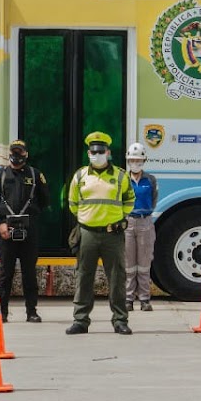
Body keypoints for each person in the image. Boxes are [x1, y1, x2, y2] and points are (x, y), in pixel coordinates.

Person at [66, 132, 135, 336]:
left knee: (117, 278)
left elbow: (129, 201)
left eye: (101, 151)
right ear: (89, 153)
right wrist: (88, 217)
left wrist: (115, 219)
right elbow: (73, 203)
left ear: (108, 152)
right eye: (93, 152)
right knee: (83, 277)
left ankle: (120, 320)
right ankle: (80, 321)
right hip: (87, 233)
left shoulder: (121, 176)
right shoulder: (80, 176)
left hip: (113, 234)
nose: (97, 155)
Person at [0, 139, 50, 323]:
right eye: (13, 151)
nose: (16, 155)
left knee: (29, 273)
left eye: (19, 152)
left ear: (26, 154)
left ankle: (32, 311)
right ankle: (2, 312)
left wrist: (31, 216)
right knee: (5, 274)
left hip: (29, 231)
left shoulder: (35, 175)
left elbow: (45, 200)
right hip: (6, 231)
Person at [124, 142, 158, 312]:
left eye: (138, 160)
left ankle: (144, 299)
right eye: (132, 160)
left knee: (144, 264)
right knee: (129, 265)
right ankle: (128, 299)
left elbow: (154, 199)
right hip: (128, 223)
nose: (135, 163)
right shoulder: (123, 179)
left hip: (145, 222)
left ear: (144, 160)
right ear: (128, 161)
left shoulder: (150, 180)